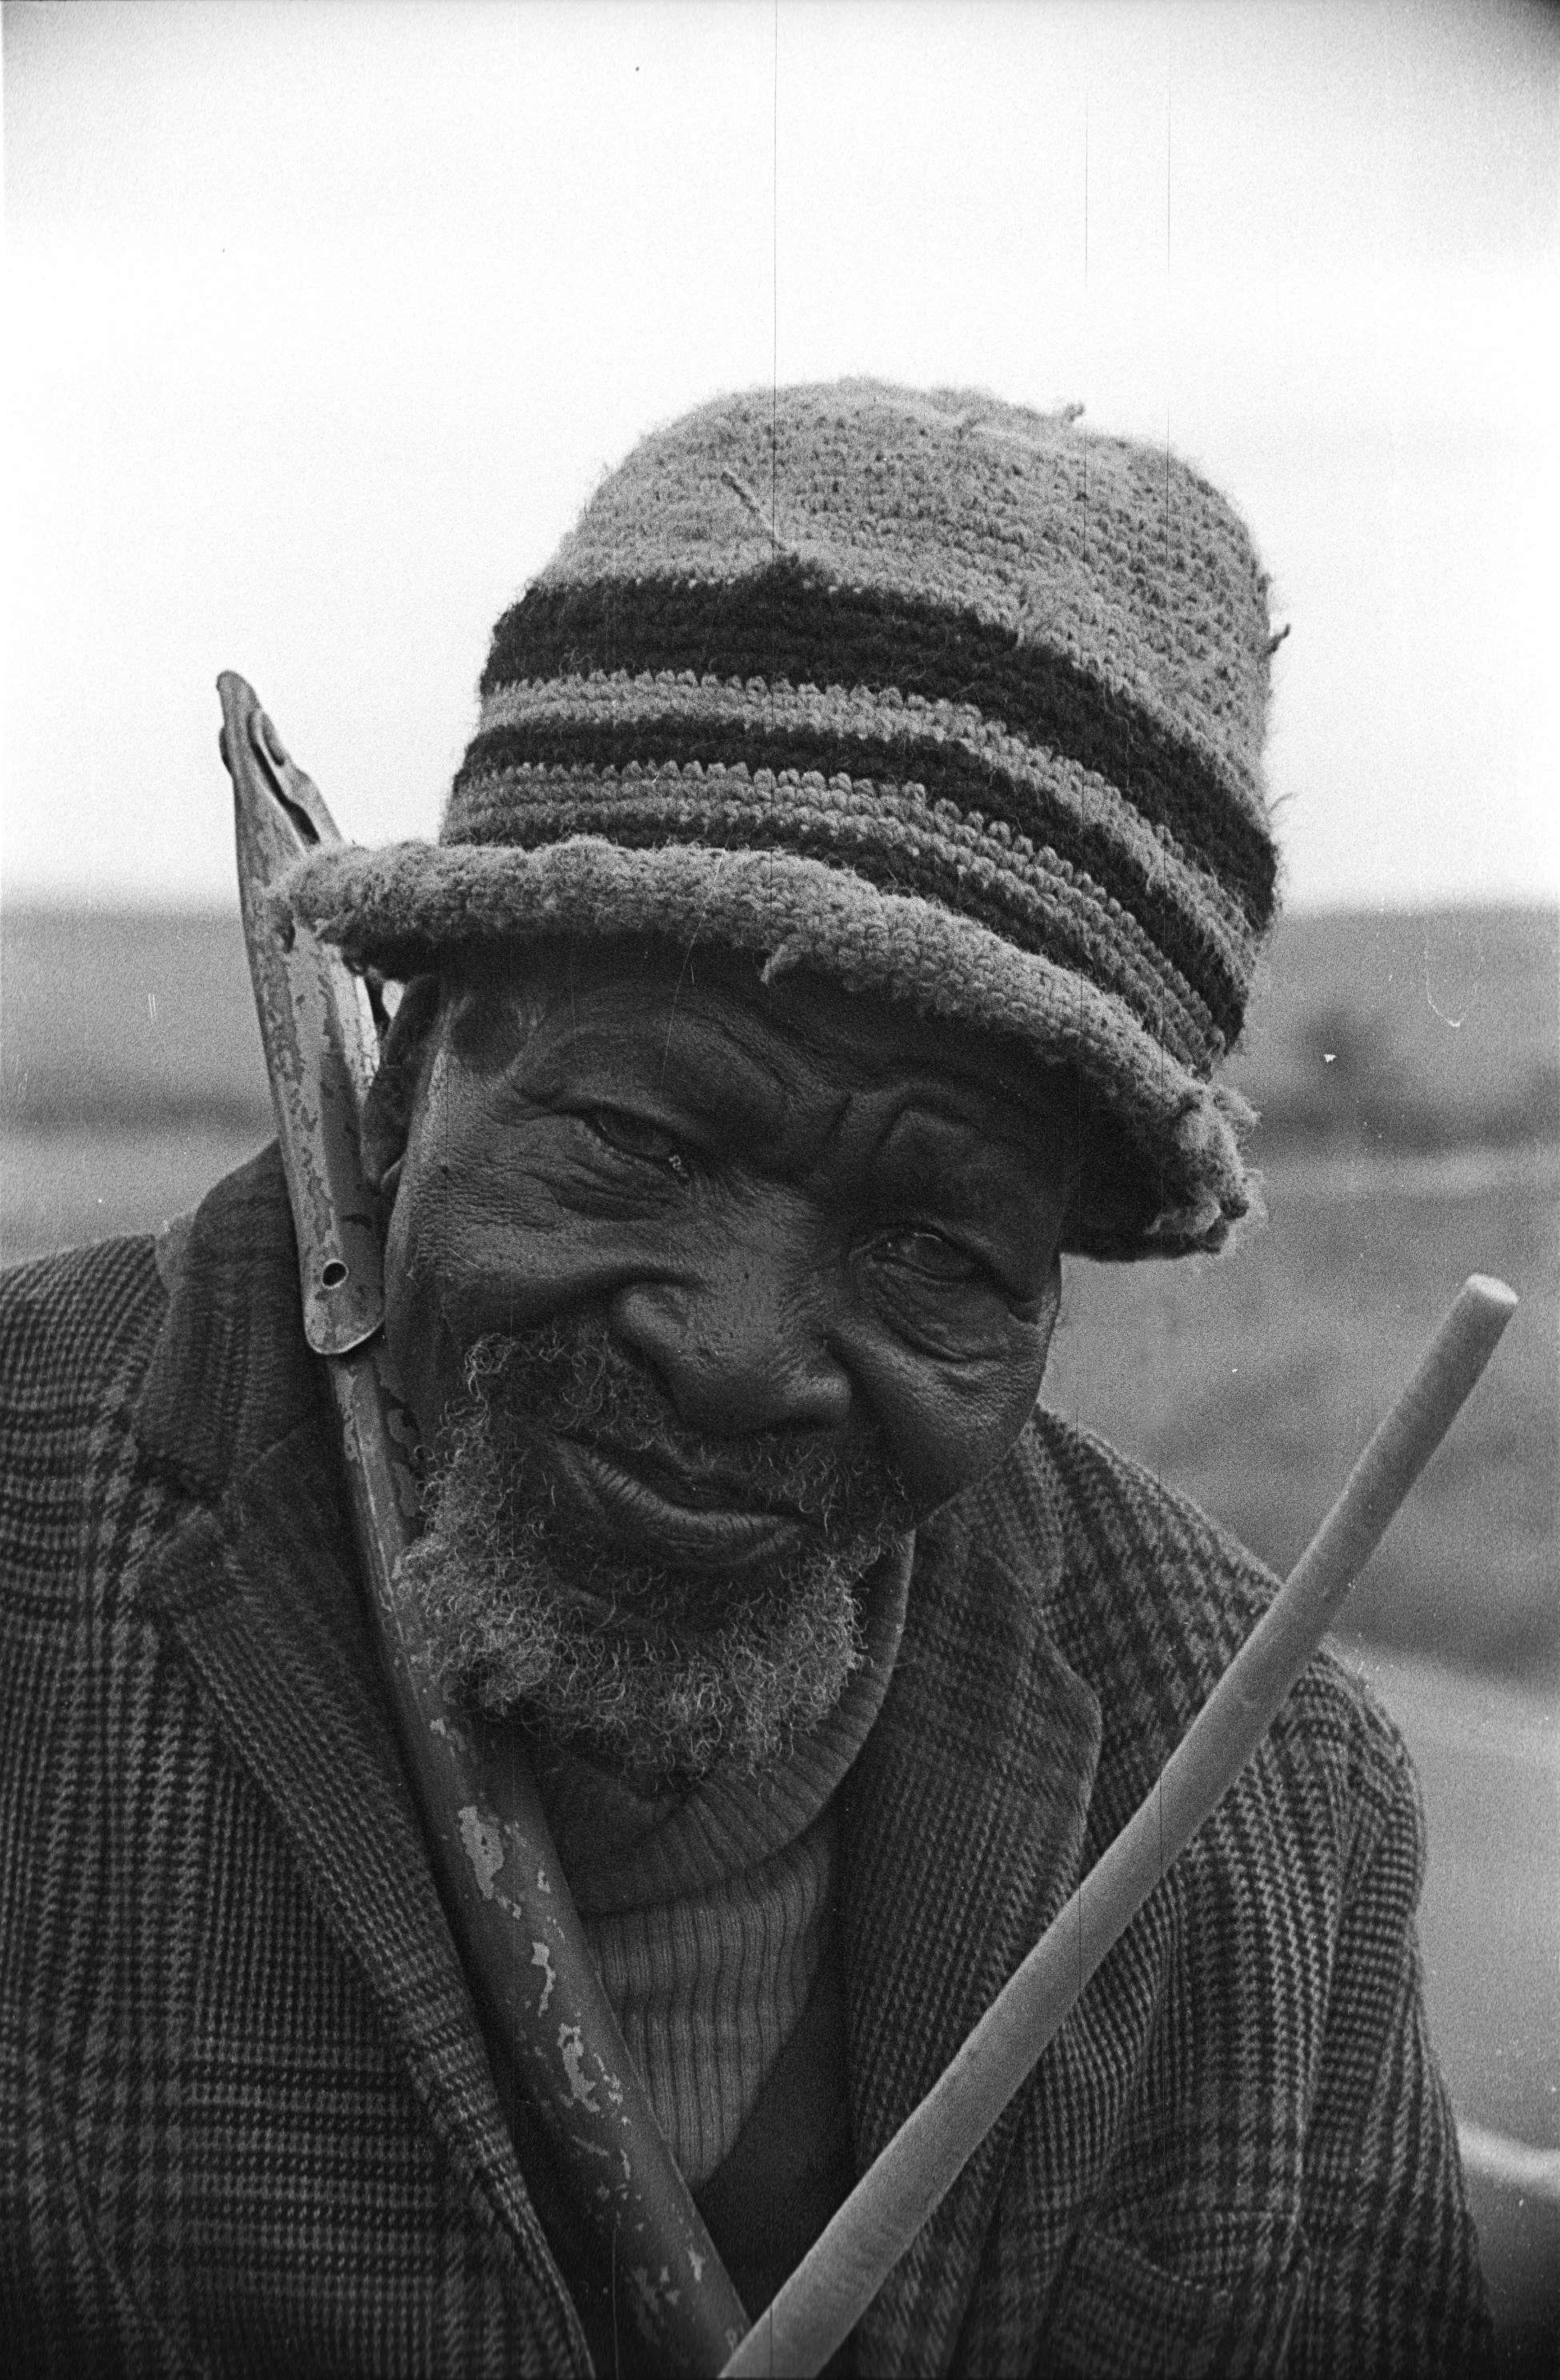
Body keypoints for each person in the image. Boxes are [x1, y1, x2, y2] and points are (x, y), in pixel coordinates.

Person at [1, 382, 1488, 2374]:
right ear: (421, 1052)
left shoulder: (1267, 1805)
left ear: (1053, 1274)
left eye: (928, 1249)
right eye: (641, 1143)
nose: (736, 1359)